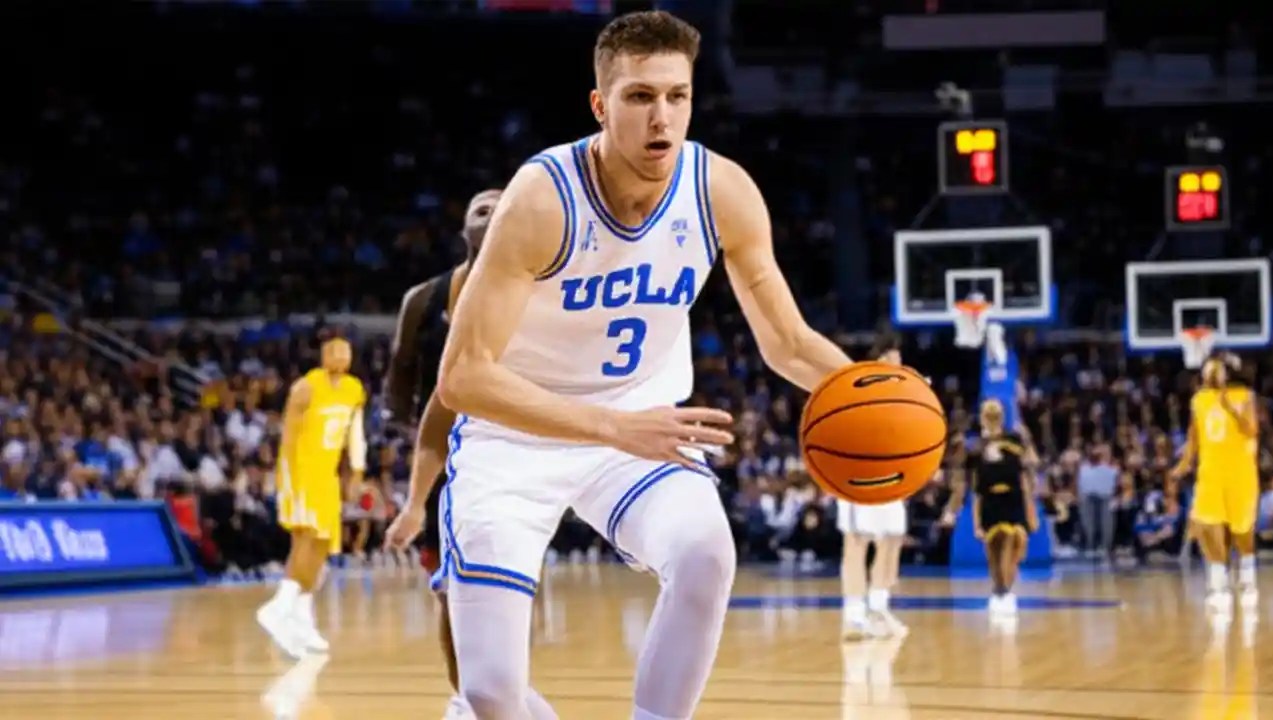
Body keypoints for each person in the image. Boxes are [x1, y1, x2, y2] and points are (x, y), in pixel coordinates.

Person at [434, 11, 862, 719]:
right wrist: (609, 427)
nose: (662, 117)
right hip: (514, 436)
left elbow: (788, 341)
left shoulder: (721, 190)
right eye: (639, 96)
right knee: (489, 692)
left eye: (677, 95)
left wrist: (867, 388)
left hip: (638, 429)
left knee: (705, 554)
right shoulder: (542, 198)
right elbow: (463, 378)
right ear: (601, 106)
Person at [384, 189, 555, 720]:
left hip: (519, 452)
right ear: (464, 228)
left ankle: (506, 688)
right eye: (480, 207)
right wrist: (412, 446)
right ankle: (468, 697)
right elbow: (402, 375)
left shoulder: (543, 295)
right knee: (448, 591)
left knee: (515, 586)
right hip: (449, 456)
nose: (491, 209)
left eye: (501, 204)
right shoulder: (424, 299)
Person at [257, 337, 367, 658]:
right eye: (334, 351)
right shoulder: (306, 387)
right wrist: (286, 478)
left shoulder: (354, 389)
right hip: (301, 470)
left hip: (327, 475)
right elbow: (288, 434)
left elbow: (355, 433)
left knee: (322, 546)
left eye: (346, 351)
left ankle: (301, 617)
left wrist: (357, 472)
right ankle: (279, 605)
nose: (341, 355)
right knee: (305, 539)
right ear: (322, 356)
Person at [1171, 353, 1260, 614]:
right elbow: (1194, 436)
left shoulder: (1244, 396)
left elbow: (1251, 430)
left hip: (1240, 473)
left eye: (1215, 367)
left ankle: (1247, 576)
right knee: (1208, 525)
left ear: (1227, 372)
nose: (1209, 370)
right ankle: (1218, 582)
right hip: (1210, 473)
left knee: (1242, 531)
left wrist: (1229, 407)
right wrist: (1184, 463)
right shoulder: (1199, 400)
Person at [838, 343, 909, 640]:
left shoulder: (902, 399)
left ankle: (879, 607)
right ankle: (854, 615)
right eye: (893, 361)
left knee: (892, 539)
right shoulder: (855, 393)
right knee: (856, 542)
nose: (898, 368)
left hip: (890, 478)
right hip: (858, 477)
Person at [946, 399, 1039, 616]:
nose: (991, 417)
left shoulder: (1015, 440)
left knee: (1013, 544)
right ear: (981, 417)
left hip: (1013, 499)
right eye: (987, 413)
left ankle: (1006, 591)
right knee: (995, 549)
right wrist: (976, 521)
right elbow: (973, 487)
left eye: (995, 413)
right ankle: (999, 590)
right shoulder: (975, 447)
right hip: (990, 501)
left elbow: (1029, 470)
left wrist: (1028, 440)